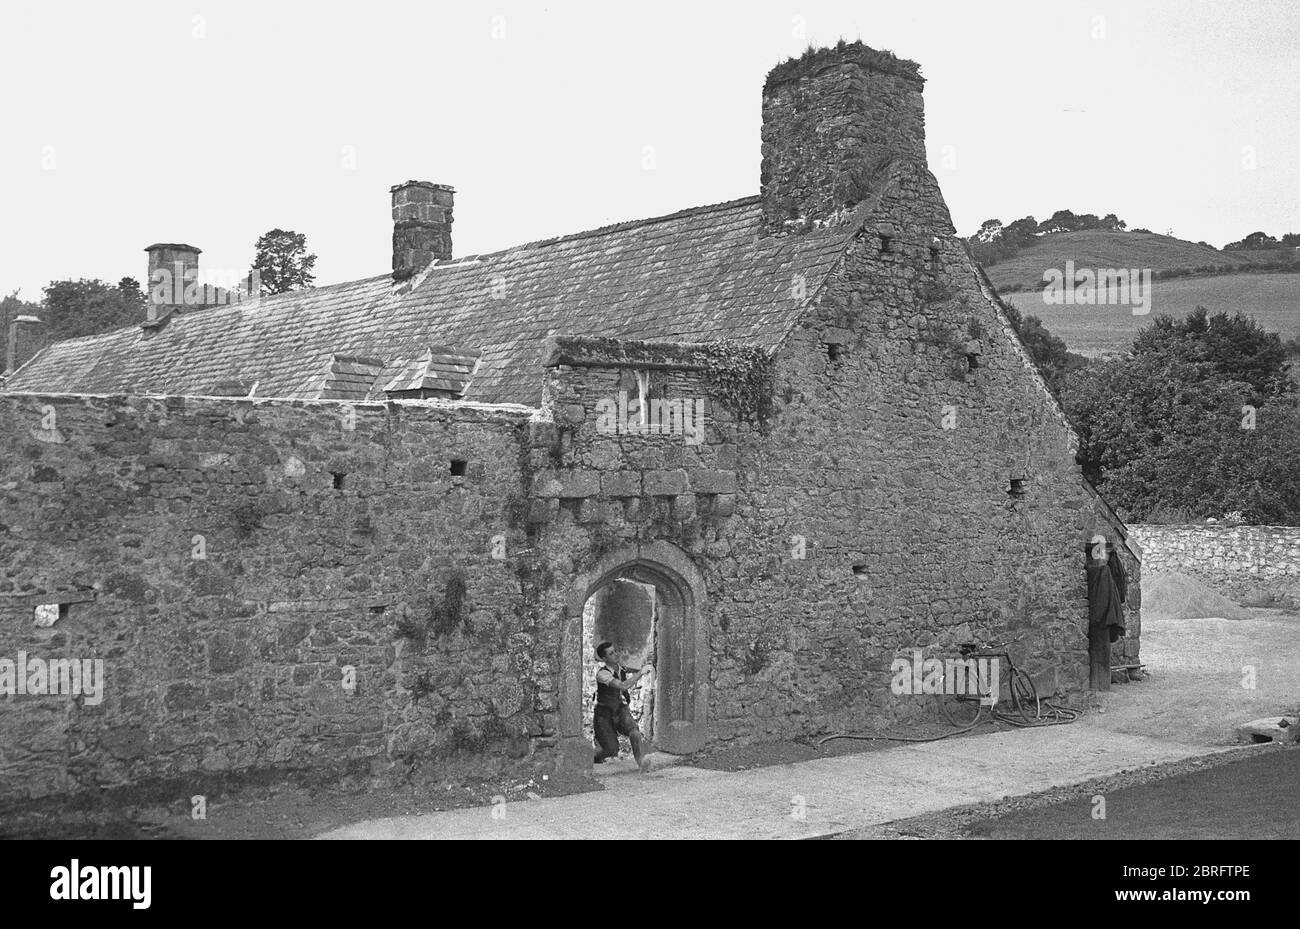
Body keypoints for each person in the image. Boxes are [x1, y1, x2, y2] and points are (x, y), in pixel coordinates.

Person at [592, 641, 653, 772]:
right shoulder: (602, 674)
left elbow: (635, 669)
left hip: (619, 708)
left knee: (634, 732)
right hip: (604, 713)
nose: (615, 654)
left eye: (615, 651)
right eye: (611, 653)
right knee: (611, 750)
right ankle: (592, 757)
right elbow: (623, 685)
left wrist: (647, 662)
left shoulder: (621, 668)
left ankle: (641, 762)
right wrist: (641, 672)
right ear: (604, 659)